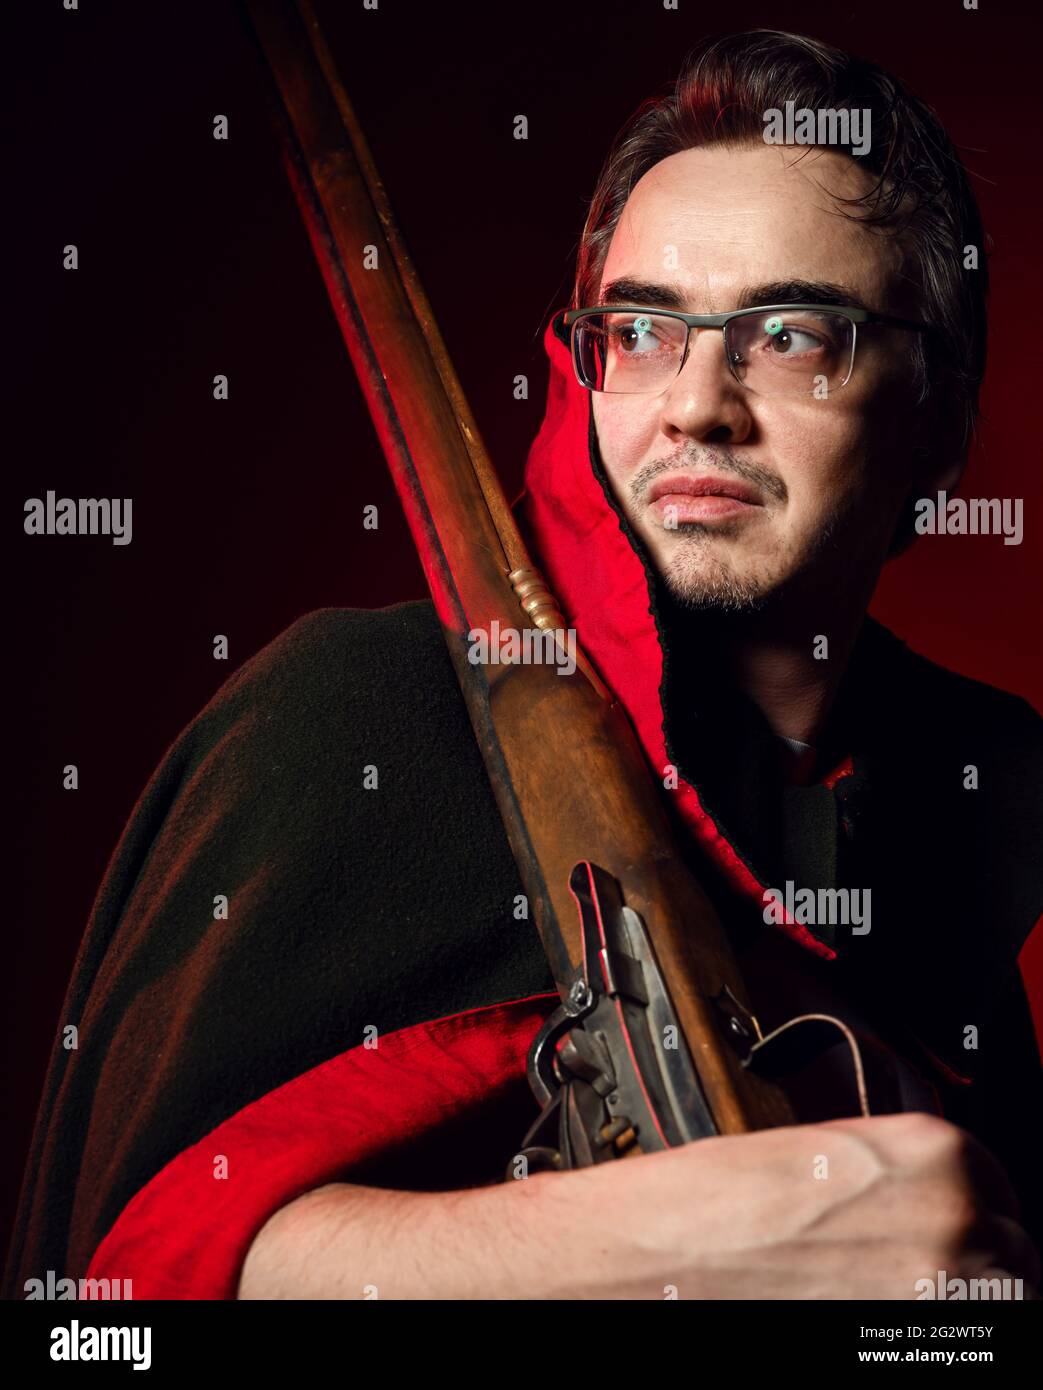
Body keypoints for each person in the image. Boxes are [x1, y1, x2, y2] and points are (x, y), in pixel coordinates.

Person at [6, 29, 1042, 1302]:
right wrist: (677, 1244)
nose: (696, 403)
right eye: (642, 331)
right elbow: (118, 1301)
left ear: (934, 419)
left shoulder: (955, 859)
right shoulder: (354, 716)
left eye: (790, 333)